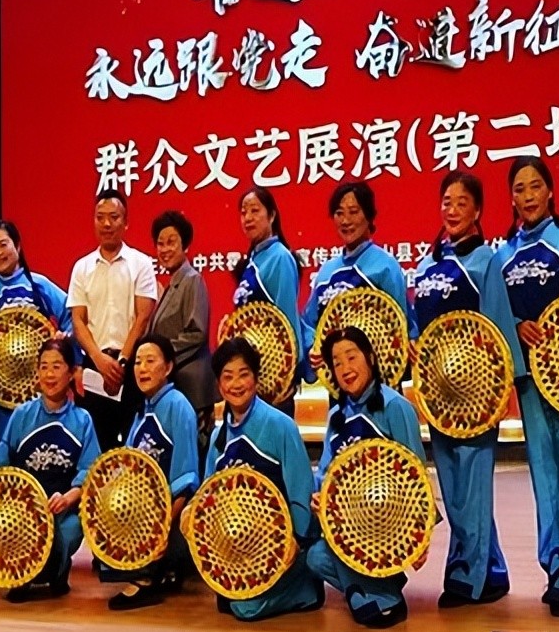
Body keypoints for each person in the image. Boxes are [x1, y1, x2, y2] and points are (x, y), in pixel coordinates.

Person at [482, 155, 559, 618]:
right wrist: (517, 327)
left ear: (550, 191)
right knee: (546, 474)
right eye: (519, 189)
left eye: (535, 186)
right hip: (531, 382)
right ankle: (556, 565)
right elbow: (497, 318)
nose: (528, 196)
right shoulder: (503, 255)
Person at [411, 171, 510, 608]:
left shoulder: (486, 262)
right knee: (454, 489)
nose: (450, 209)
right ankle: (493, 570)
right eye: (445, 201)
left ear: (478, 212)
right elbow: (418, 325)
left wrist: (501, 388)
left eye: (460, 202)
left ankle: (466, 578)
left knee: (474, 486)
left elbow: (497, 326)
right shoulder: (428, 264)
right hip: (438, 394)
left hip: (477, 393)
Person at [194, 337, 324, 621]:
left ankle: (305, 586)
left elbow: (301, 492)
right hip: (243, 544)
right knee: (225, 598)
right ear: (219, 385)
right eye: (228, 377)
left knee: (245, 608)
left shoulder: (281, 426)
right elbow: (207, 497)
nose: (236, 384)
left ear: (255, 378)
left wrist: (297, 541)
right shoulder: (218, 437)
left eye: (244, 374)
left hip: (285, 542)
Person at [306, 327, 426, 629]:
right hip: (349, 525)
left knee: (333, 556)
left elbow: (417, 472)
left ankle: (368, 593)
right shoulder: (336, 415)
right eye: (337, 362)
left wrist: (421, 537)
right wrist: (319, 495)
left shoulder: (395, 406)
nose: (346, 369)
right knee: (315, 558)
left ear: (370, 357)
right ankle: (378, 592)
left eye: (352, 357)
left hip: (389, 522)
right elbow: (325, 470)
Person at [0, 338, 101, 601]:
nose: (50, 374)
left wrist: (69, 497)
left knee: (69, 533)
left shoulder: (83, 420)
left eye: (57, 367)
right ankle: (20, 574)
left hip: (62, 509)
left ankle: (57, 572)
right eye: (44, 367)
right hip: (22, 511)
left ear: (72, 373)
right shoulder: (21, 415)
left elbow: (89, 472)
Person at [102, 334, 200, 611]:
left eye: (150, 361)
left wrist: (160, 529)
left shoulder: (178, 406)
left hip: (173, 513)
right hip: (144, 511)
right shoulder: (142, 411)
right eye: (138, 363)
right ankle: (159, 570)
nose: (142, 368)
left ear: (168, 367)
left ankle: (154, 571)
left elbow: (187, 478)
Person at [0, 219, 73, 443]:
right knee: (12, 449)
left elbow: (71, 315)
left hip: (46, 387)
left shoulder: (39, 285)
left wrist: (64, 339)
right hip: (4, 394)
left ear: (18, 246)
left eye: (3, 245)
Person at [67, 189, 157, 451]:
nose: (107, 224)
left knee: (133, 443)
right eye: (100, 217)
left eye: (114, 217)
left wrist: (120, 362)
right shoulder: (81, 267)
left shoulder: (140, 263)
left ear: (126, 222)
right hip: (94, 365)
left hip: (131, 368)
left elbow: (142, 317)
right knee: (97, 446)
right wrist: (98, 359)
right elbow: (78, 320)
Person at [300, 181, 415, 386]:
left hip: (379, 383)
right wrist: (313, 347)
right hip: (338, 382)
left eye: (353, 212)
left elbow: (402, 323)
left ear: (369, 215)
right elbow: (309, 322)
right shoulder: (326, 272)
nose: (346, 220)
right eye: (339, 213)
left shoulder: (385, 266)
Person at [148, 210, 218, 456]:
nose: (165, 249)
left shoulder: (192, 279)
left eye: (171, 242)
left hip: (193, 388)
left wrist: (161, 355)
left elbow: (196, 332)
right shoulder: (172, 284)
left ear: (185, 245)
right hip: (177, 384)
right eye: (160, 243)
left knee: (194, 458)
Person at [229, 187, 303, 416]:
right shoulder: (254, 259)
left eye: (255, 211)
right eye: (243, 212)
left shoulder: (279, 257)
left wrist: (287, 374)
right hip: (250, 377)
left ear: (271, 215)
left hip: (273, 381)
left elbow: (287, 321)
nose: (248, 218)